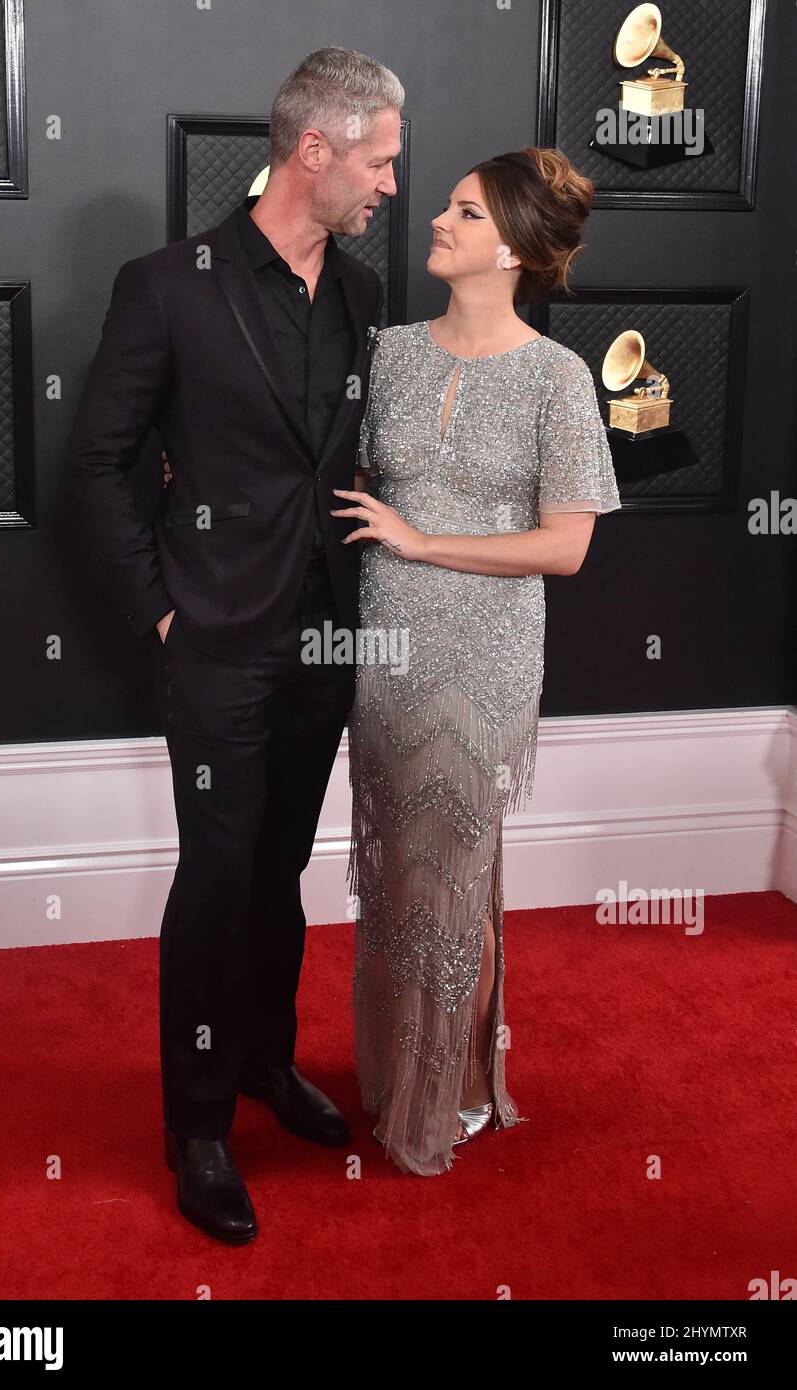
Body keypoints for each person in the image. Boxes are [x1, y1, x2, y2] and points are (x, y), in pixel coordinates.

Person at [67, 48, 404, 1241]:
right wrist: (163, 611)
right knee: (215, 880)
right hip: (214, 642)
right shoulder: (169, 285)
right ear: (314, 150)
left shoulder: (367, 296)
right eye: (379, 161)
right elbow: (98, 464)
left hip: (323, 635)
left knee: (279, 874)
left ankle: (266, 1060)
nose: (390, 185)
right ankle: (197, 1123)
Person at [332, 147, 622, 1176]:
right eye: (445, 205)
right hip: (387, 654)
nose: (437, 222)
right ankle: (396, 1067)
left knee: (454, 876)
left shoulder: (558, 376)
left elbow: (568, 544)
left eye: (462, 211)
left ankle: (450, 1086)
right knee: (399, 876)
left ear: (511, 244)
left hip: (489, 654)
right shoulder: (391, 351)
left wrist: (420, 540)